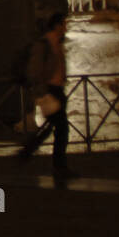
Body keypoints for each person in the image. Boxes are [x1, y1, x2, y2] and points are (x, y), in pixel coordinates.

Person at [19, 14, 76, 179]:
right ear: (57, 25)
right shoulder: (44, 44)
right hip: (49, 90)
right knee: (61, 128)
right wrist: (41, 90)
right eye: (64, 23)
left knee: (52, 127)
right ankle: (58, 166)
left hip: (57, 90)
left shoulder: (57, 43)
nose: (66, 26)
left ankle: (27, 150)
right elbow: (35, 70)